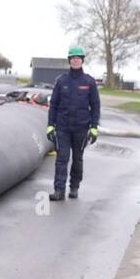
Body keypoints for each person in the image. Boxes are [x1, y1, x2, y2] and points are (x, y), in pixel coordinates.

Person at [45, 46, 100, 201]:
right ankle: (59, 190)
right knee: (62, 158)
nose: (76, 60)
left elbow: (95, 106)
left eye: (78, 58)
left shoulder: (89, 82)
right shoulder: (61, 81)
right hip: (62, 127)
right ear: (69, 60)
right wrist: (50, 125)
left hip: (81, 128)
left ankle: (74, 187)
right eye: (73, 58)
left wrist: (94, 127)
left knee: (77, 158)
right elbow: (53, 105)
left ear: (82, 60)